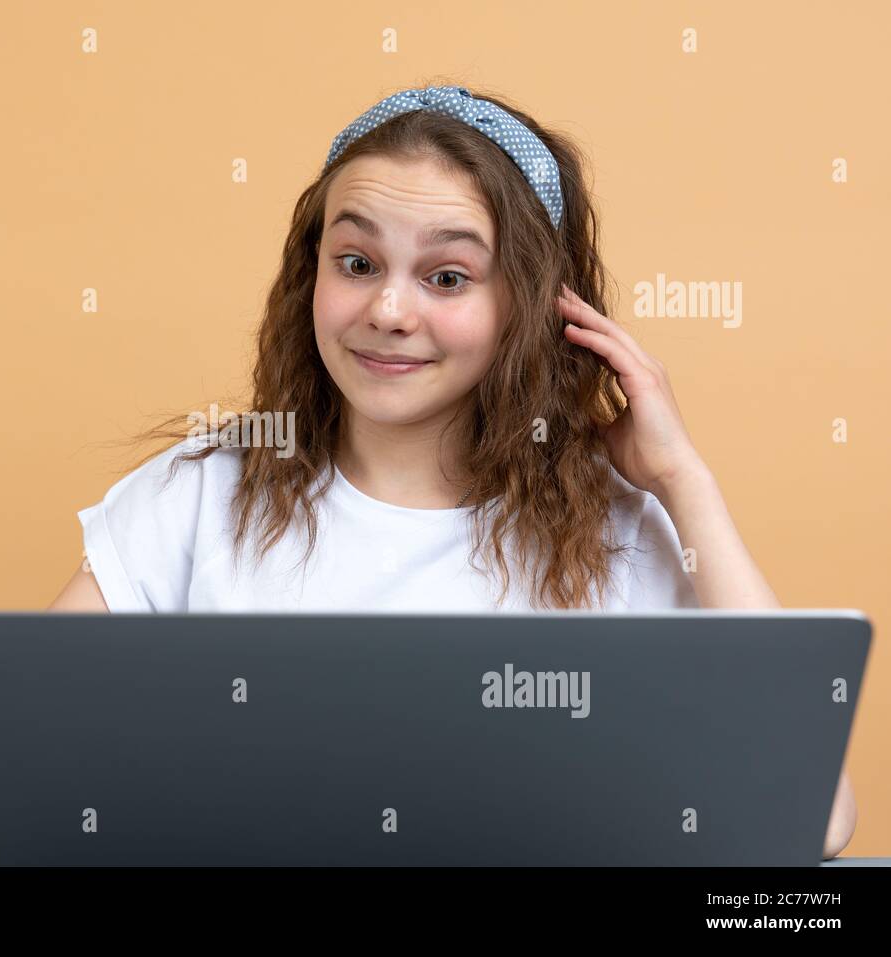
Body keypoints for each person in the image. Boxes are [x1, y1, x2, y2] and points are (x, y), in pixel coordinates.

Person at [47, 83, 856, 857]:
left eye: (447, 277)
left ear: (535, 305)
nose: (389, 312)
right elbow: (20, 751)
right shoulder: (200, 495)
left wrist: (685, 480)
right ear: (310, 275)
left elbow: (815, 815)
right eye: (357, 262)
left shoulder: (616, 537)